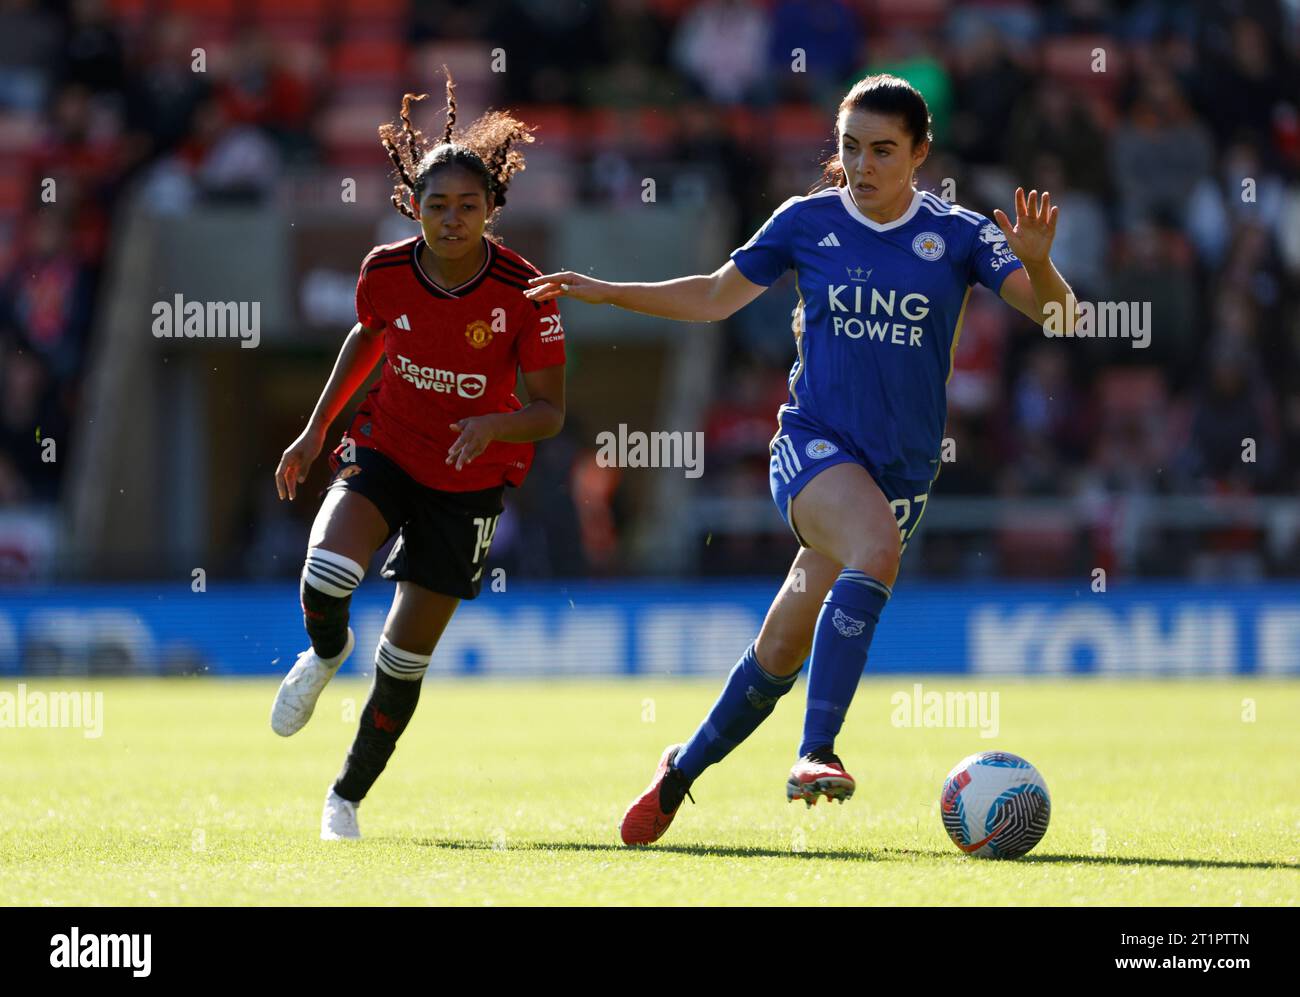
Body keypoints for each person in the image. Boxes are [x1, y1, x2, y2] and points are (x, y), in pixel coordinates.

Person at [525, 74, 1076, 845]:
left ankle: (679, 770)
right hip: (813, 444)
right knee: (874, 549)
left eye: (884, 150)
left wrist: (1042, 265)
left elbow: (1059, 314)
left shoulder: (959, 235)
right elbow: (715, 295)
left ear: (920, 153)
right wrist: (606, 291)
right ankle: (816, 750)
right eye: (851, 147)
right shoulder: (807, 222)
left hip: (902, 472)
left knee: (785, 640)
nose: (863, 164)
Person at [270, 74, 567, 840]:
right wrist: (313, 430)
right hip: (388, 445)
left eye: (469, 205)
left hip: (468, 480)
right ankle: (325, 651)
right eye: (437, 205)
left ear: (492, 210)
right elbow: (365, 339)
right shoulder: (384, 270)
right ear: (413, 207)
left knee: (403, 662)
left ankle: (344, 797)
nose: (453, 218)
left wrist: (491, 428)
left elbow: (549, 412)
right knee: (327, 572)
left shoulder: (525, 293)